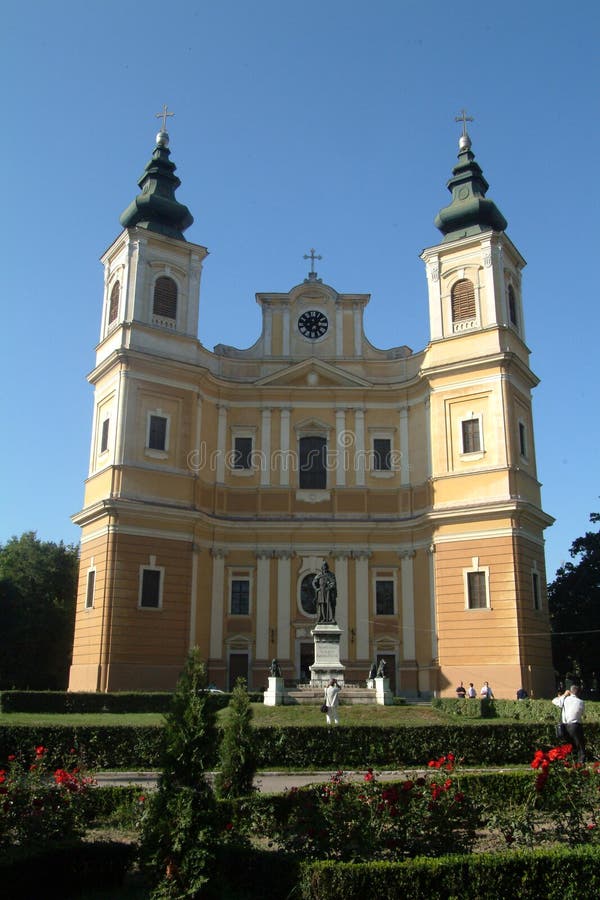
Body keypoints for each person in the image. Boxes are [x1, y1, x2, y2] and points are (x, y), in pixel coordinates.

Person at [552, 684, 586, 762]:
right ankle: (580, 762)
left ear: (570, 692)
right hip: (576, 726)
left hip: (565, 726)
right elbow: (583, 714)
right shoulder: (581, 702)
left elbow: (554, 701)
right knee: (580, 746)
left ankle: (569, 761)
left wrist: (564, 694)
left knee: (569, 746)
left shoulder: (565, 699)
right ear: (579, 693)